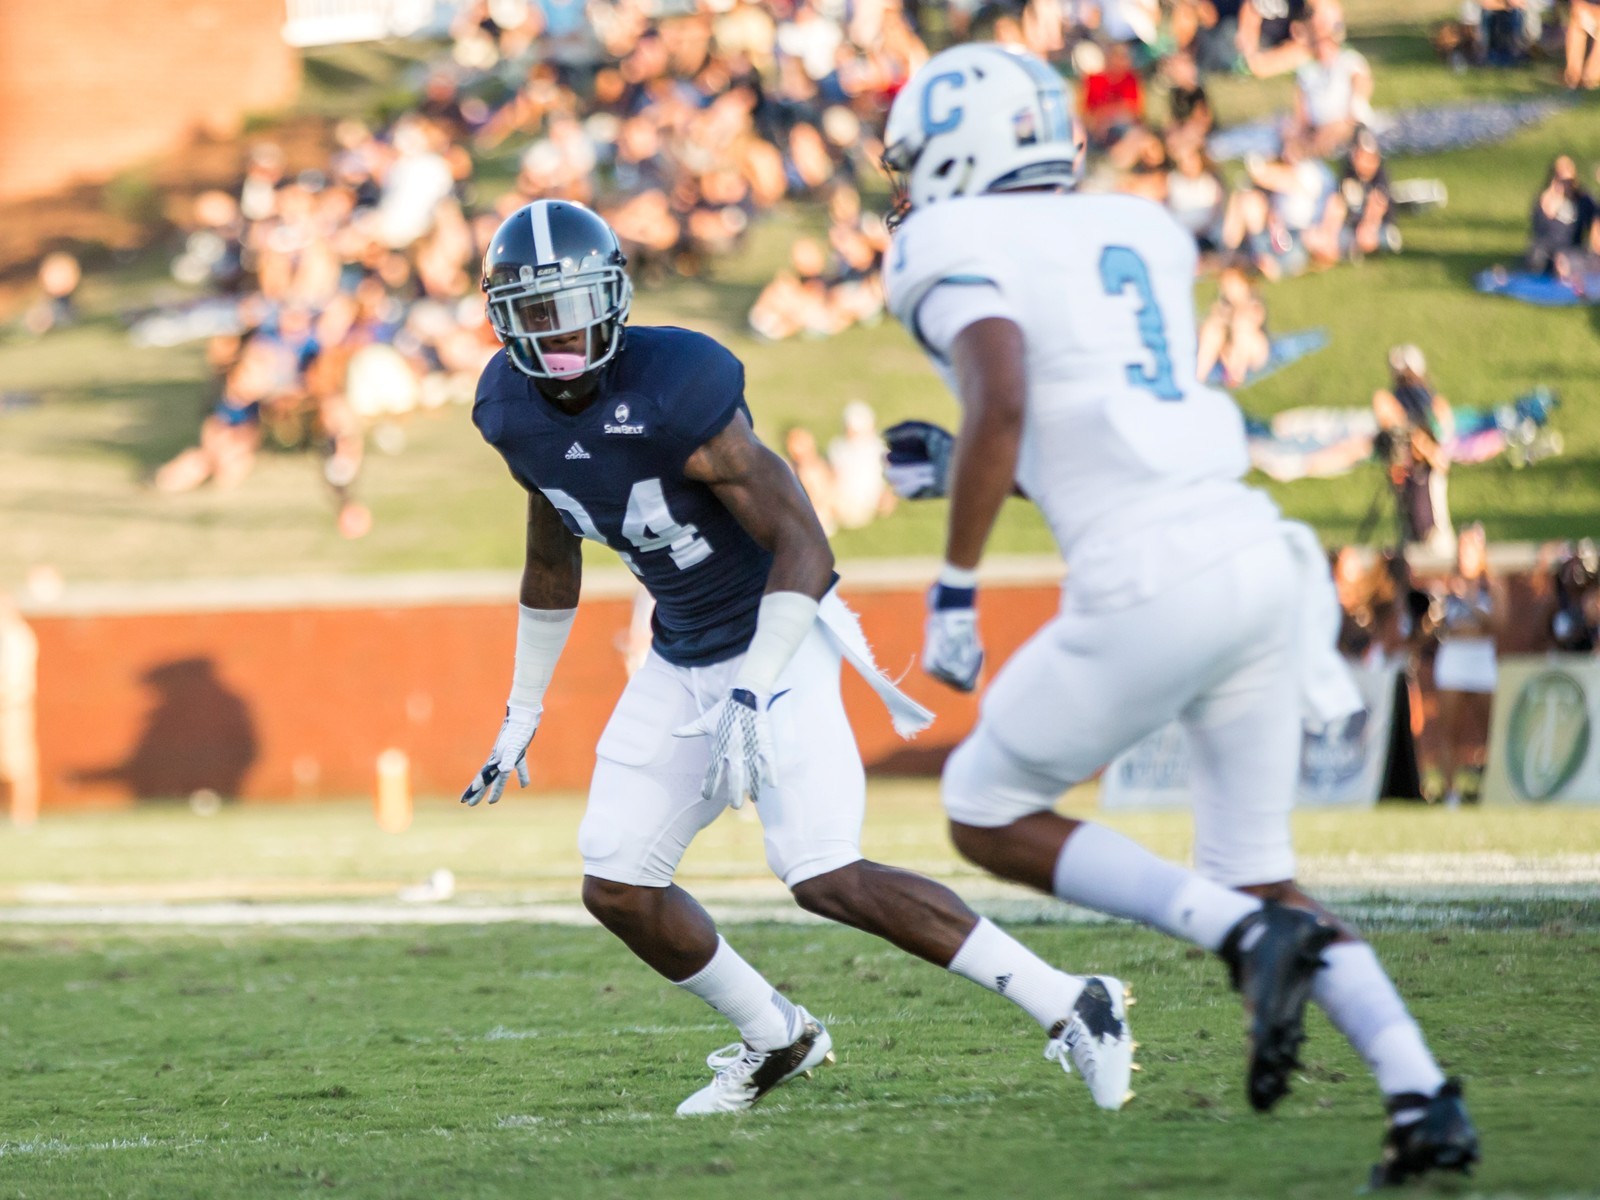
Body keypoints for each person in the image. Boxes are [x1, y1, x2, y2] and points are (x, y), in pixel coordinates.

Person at [880, 44, 1478, 1188]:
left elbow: (1005, 385)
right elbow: (1086, 418)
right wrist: (973, 465)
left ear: (959, 144)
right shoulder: (1141, 225)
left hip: (1152, 576)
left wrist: (953, 585)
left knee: (981, 806)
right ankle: (1422, 1095)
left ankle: (1247, 944)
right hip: (1252, 556)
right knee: (1256, 870)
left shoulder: (943, 242)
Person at [462, 200, 1135, 1118]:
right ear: (502, 316)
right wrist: (521, 711)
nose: (557, 332)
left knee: (822, 870)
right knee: (617, 884)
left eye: (570, 304)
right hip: (681, 653)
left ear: (612, 296)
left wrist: (752, 683)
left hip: (777, 639)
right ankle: (778, 1037)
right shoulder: (508, 408)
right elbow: (552, 550)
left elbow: (806, 546)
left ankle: (1070, 1002)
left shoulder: (677, 386)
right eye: (533, 311)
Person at [1430, 524, 1503, 807]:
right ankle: (1451, 794)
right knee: (1449, 729)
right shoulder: (1446, 584)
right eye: (1460, 549)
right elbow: (1431, 629)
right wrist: (1432, 615)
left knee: (1490, 728)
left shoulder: (1490, 586)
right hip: (1453, 657)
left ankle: (1494, 789)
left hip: (1481, 657)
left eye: (1469, 549)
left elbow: (1500, 625)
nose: (1463, 555)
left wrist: (1471, 602)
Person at [1372, 344, 1454, 555]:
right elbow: (1381, 404)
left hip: (1436, 539)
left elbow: (1440, 455)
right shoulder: (1404, 463)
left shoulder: (1432, 464)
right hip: (1411, 537)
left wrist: (1420, 440)